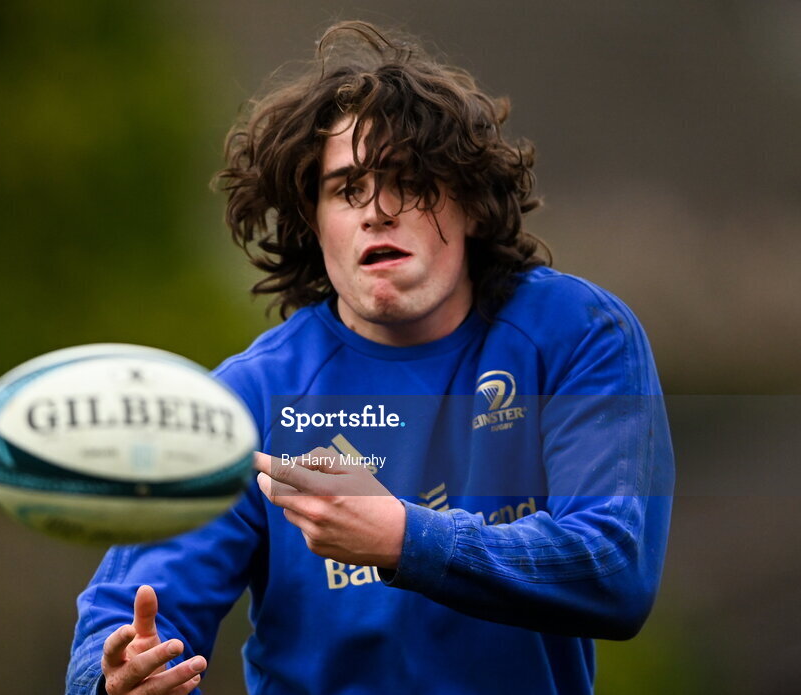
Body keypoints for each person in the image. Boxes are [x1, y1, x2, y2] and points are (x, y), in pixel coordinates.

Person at [66, 20, 673, 695]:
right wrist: (114, 678)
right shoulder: (249, 399)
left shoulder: (578, 334)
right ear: (313, 220)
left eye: (408, 180)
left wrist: (404, 538)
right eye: (348, 188)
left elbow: (613, 568)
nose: (377, 210)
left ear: (470, 202)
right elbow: (121, 623)